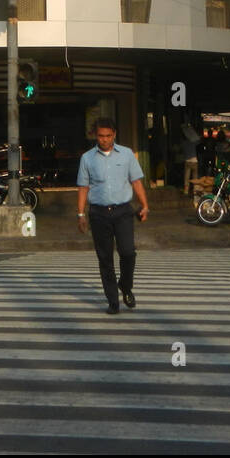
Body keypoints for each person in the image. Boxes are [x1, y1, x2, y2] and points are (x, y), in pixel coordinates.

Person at [77, 118, 149, 314]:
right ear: (95, 135)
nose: (105, 140)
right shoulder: (87, 158)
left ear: (114, 135)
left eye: (108, 136)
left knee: (128, 252)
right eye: (101, 136)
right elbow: (83, 187)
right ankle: (113, 301)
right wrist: (81, 214)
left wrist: (144, 205)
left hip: (123, 211)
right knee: (105, 258)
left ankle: (125, 286)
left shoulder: (126, 154)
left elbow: (136, 182)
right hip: (99, 213)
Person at [181, 121, 200, 197]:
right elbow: (198, 141)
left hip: (187, 161)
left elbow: (181, 150)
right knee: (195, 177)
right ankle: (195, 191)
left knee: (187, 177)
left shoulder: (184, 143)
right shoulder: (193, 141)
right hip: (195, 161)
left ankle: (186, 190)